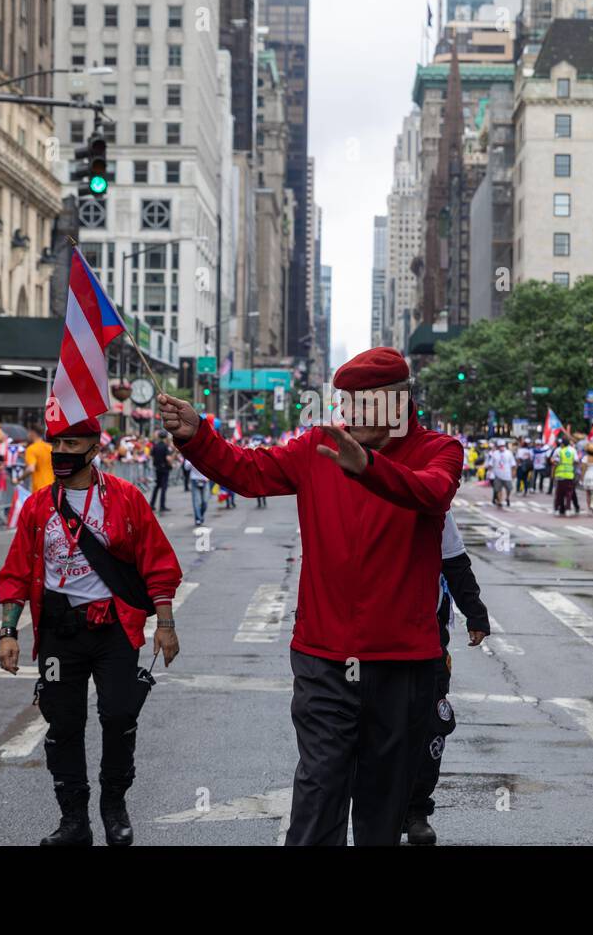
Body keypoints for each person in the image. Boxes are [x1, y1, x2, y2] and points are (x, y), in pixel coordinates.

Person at [160, 346, 464, 846]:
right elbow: (247, 470)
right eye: (344, 404)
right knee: (319, 788)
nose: (348, 415)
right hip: (324, 657)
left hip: (402, 662)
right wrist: (198, 435)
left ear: (398, 403)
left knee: (382, 804)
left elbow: (431, 493)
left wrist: (367, 465)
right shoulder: (318, 447)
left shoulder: (439, 450)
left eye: (362, 405)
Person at [0, 415, 182, 846]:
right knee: (62, 723)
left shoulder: (126, 499)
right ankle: (74, 820)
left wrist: (166, 624)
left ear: (94, 449)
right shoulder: (38, 506)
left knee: (119, 714)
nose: (61, 452)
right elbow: (16, 573)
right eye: (55, 444)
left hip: (113, 628)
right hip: (60, 633)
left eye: (72, 444)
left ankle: (114, 805)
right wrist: (8, 632)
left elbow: (158, 563)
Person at [403, 510, 490, 845]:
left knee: (431, 724)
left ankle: (416, 810)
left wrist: (476, 615)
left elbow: (455, 562)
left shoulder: (432, 501)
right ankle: (378, 807)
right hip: (373, 638)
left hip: (427, 637)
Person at [551, 435, 580, 515]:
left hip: (560, 475)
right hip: (570, 475)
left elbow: (554, 461)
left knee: (559, 493)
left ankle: (558, 509)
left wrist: (552, 472)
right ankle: (568, 509)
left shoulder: (559, 451)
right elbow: (576, 461)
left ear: (562, 444)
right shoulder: (573, 450)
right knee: (569, 493)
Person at [24, 423, 55, 494]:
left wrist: (19, 479)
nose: (28, 435)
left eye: (29, 432)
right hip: (52, 488)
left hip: (39, 490)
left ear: (33, 433)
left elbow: (31, 468)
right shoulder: (50, 448)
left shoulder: (31, 449)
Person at [150, 431, 173, 513]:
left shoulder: (155, 446)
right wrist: (171, 464)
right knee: (163, 487)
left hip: (157, 468)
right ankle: (162, 505)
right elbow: (168, 458)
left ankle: (152, 504)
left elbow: (152, 456)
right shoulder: (165, 447)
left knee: (156, 487)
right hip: (164, 468)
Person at [489, 440, 515, 508]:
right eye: (500, 446)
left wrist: (513, 473)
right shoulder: (495, 453)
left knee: (509, 489)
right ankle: (500, 501)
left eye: (503, 446)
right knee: (498, 489)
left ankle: (507, 498)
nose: (501, 447)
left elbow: (513, 464)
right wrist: (490, 472)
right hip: (497, 475)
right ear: (498, 447)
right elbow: (491, 464)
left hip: (507, 475)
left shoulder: (509, 453)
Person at [187, 457, 209, 526]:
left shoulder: (206, 453)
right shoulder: (189, 453)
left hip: (205, 480)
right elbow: (186, 467)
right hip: (195, 480)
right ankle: (198, 519)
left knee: (205, 502)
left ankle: (200, 515)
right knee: (196, 501)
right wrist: (193, 460)